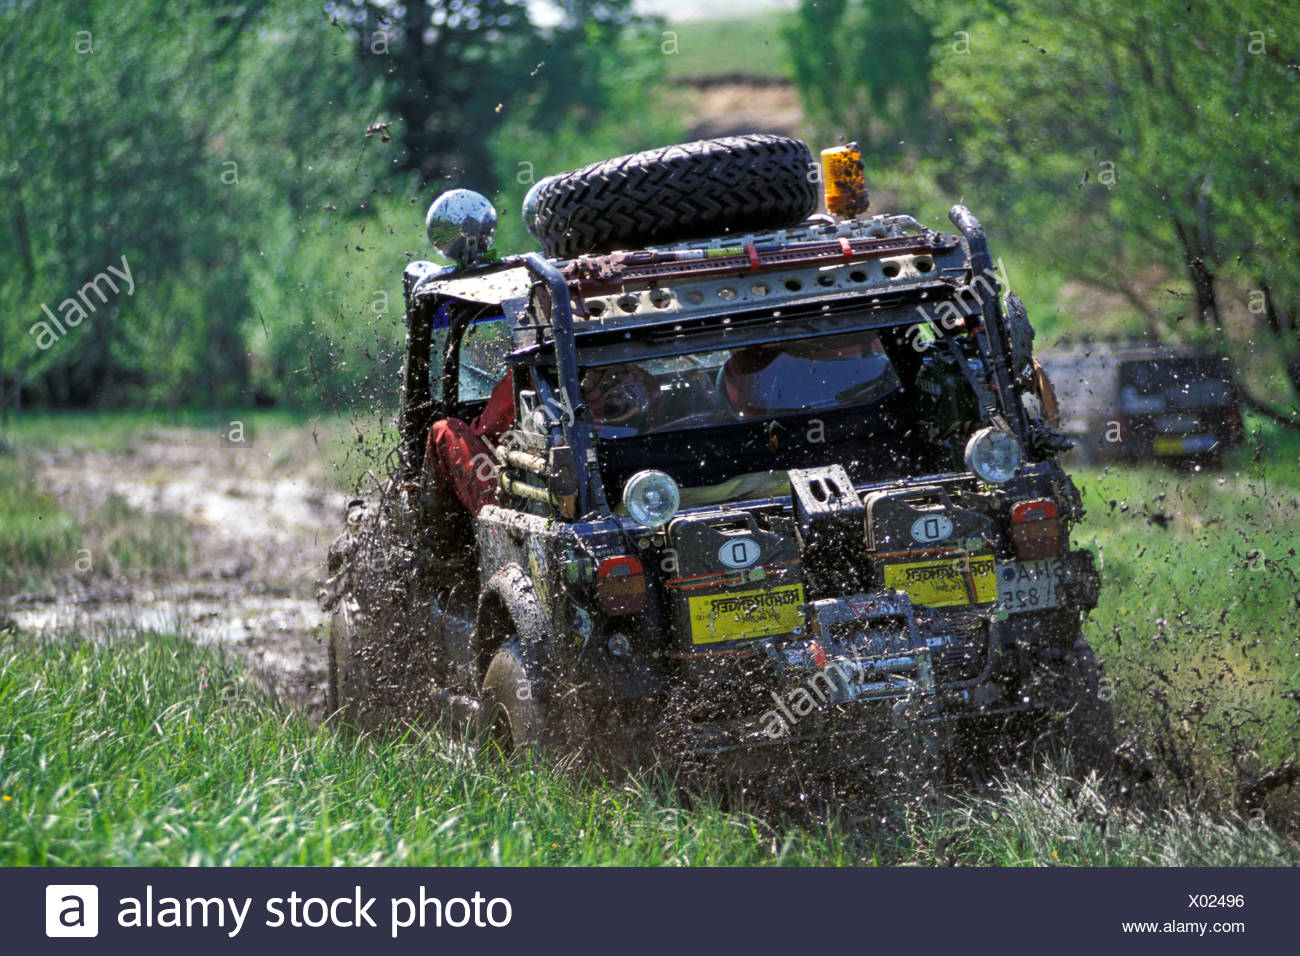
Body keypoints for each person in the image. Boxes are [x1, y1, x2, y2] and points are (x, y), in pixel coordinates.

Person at [424, 363, 662, 516]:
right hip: (637, 488)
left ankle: (447, 550)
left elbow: (487, 432)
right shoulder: (638, 376)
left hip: (535, 503)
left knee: (445, 429)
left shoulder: (533, 368)